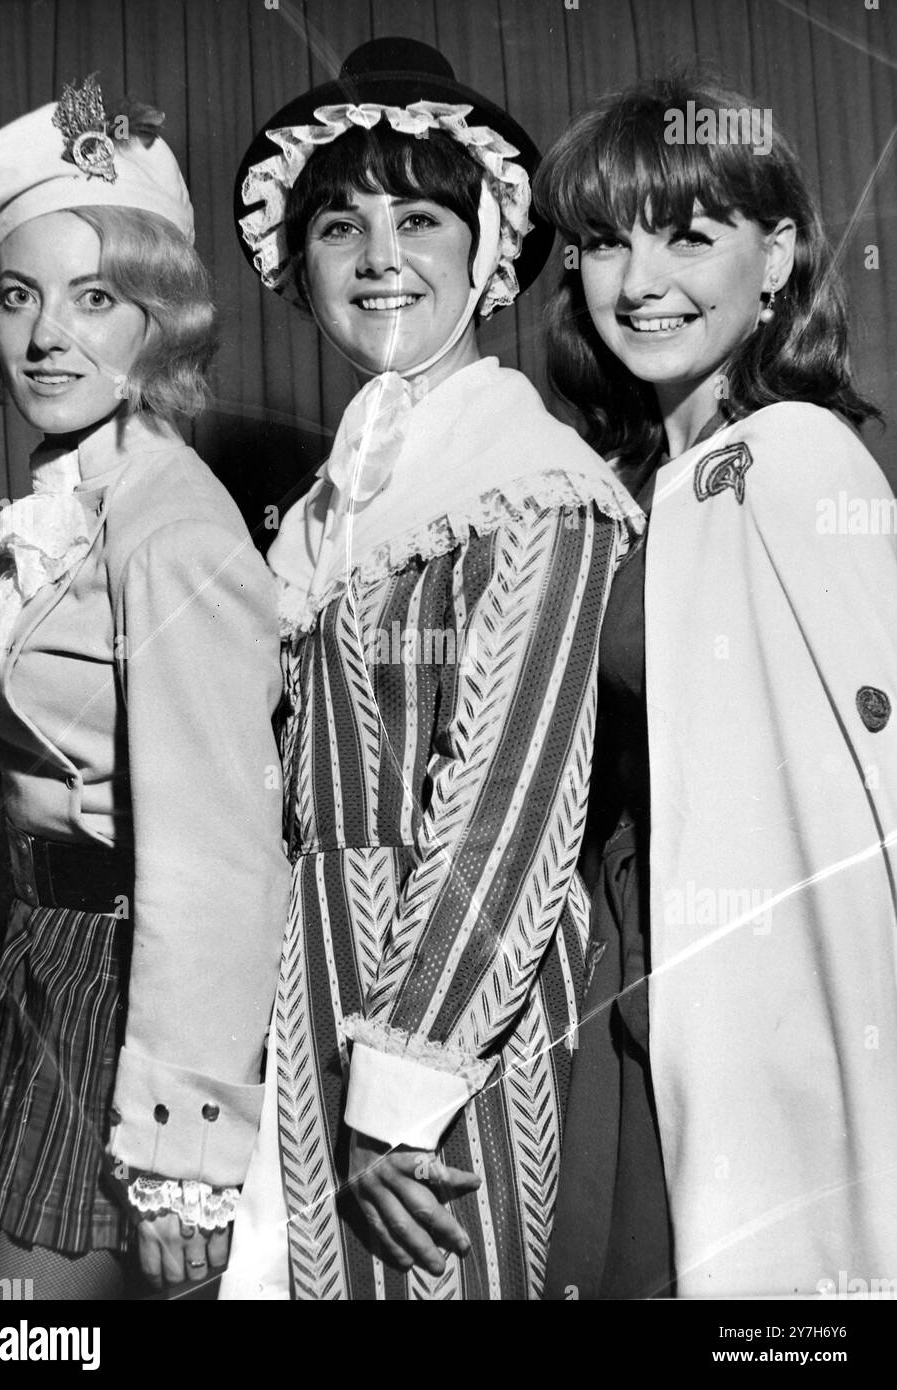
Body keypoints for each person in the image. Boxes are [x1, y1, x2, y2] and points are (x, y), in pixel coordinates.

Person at [219, 37, 643, 1301]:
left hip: (443, 1030)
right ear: (301, 268)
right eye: (340, 224)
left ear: (487, 253)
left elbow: (508, 816)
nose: (378, 254)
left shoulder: (533, 483)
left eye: (420, 218)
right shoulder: (321, 509)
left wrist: (399, 1095)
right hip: (292, 1013)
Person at [535, 72, 897, 1299]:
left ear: (780, 256)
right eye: (603, 244)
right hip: (619, 989)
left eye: (691, 236)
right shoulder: (607, 490)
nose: (639, 284)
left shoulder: (792, 461)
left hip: (766, 1001)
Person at [0, 78, 288, 1299]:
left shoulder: (172, 528)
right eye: (18, 295)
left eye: (97, 300)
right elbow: (42, 797)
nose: (48, 336)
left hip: (123, 1000)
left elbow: (218, 851)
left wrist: (184, 1153)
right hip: (49, 968)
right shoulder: (74, 501)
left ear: (162, 321)